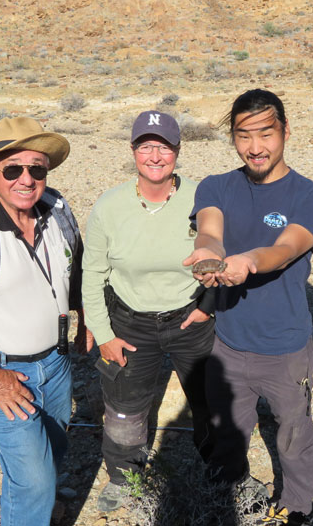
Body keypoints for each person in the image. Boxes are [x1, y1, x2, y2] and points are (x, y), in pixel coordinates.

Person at [183, 89, 313, 526]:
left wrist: (248, 261)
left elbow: (285, 249)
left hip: (286, 347)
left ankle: (300, 508)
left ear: (286, 131)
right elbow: (209, 231)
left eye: (265, 133)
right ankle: (225, 503)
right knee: (225, 435)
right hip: (228, 343)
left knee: (293, 435)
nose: (255, 147)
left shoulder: (311, 197)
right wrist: (208, 254)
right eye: (243, 135)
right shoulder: (216, 186)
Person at [0, 116, 86, 526]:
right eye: (13, 168)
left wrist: (85, 315)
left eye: (36, 168)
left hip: (56, 363)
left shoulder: (56, 208)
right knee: (35, 477)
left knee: (54, 452)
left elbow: (73, 268)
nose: (26, 179)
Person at [82, 110, 216, 512]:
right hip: (130, 322)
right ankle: (125, 477)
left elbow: (224, 257)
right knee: (124, 407)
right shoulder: (109, 206)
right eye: (146, 147)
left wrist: (208, 308)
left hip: (190, 319)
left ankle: (222, 470)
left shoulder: (203, 199)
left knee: (211, 401)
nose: (155, 156)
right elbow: (92, 275)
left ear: (178, 151)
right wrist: (103, 335)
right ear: (133, 151)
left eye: (164, 147)